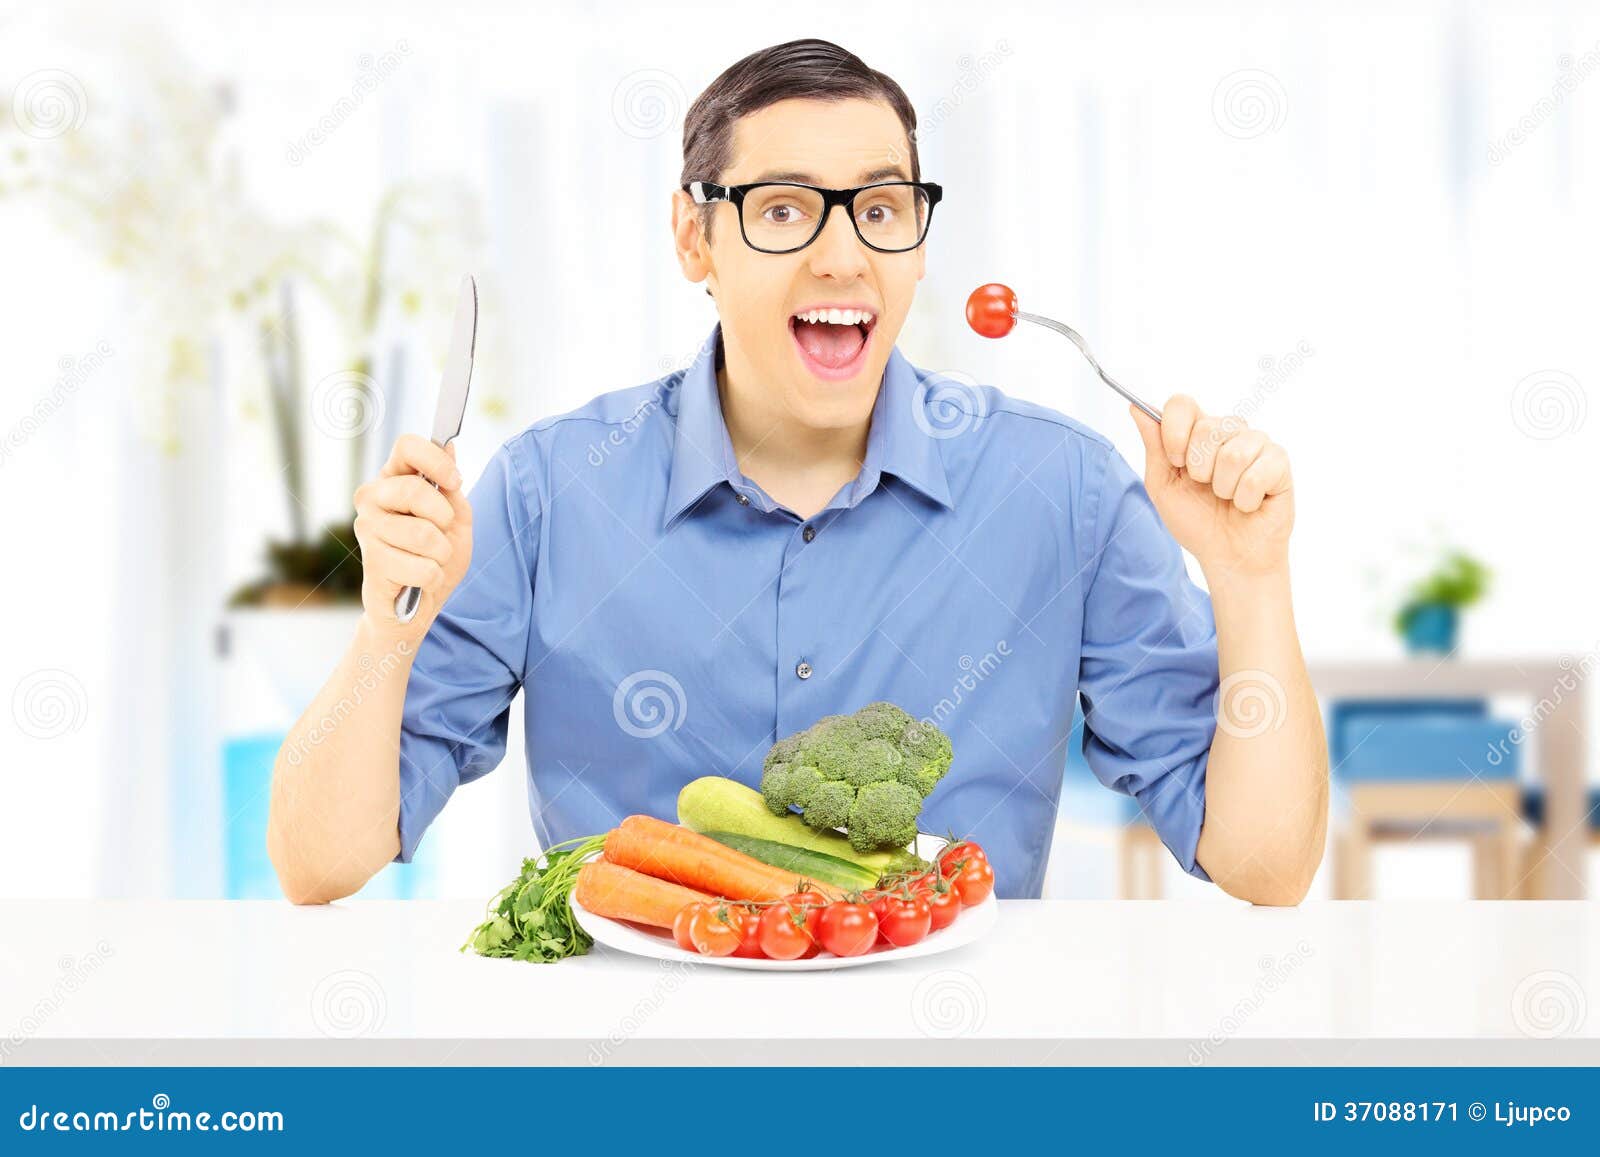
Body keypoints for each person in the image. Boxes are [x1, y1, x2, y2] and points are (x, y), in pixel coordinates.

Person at [267, 38, 1327, 904]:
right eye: (782, 208)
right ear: (696, 237)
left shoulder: (1065, 491)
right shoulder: (551, 490)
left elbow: (1264, 863)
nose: (841, 255)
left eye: (879, 207)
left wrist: (1249, 579)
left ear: (918, 240)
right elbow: (321, 861)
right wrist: (386, 632)